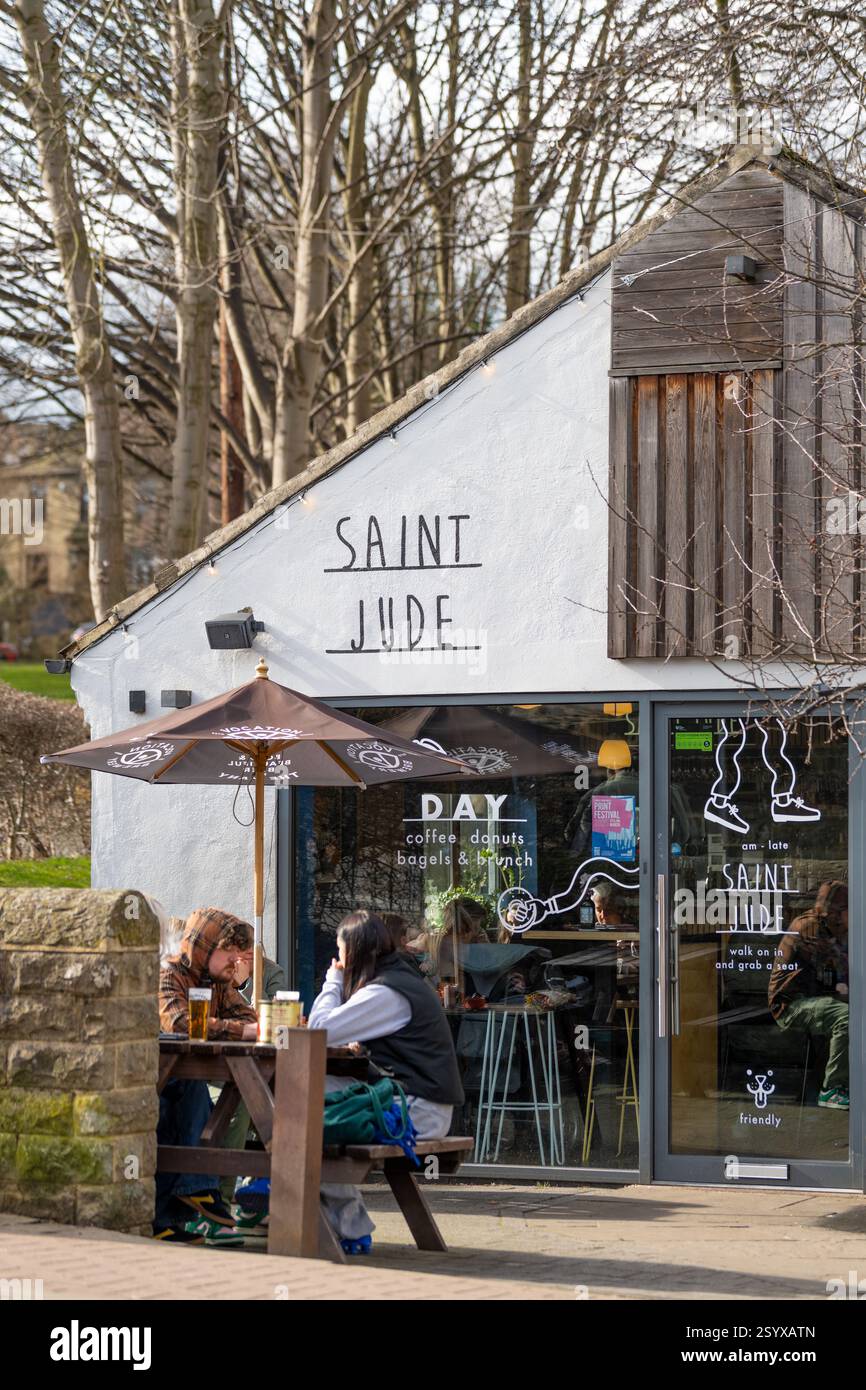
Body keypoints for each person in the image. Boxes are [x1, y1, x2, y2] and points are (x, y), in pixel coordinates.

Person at [308, 909, 464, 1251]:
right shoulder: (398, 981)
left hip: (417, 1112)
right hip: (419, 1104)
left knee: (316, 1121)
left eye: (340, 950)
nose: (338, 959)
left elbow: (317, 1033)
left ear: (354, 951)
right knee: (308, 1098)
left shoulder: (385, 992)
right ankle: (340, 1221)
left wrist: (332, 983)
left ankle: (284, 1188)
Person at [156, 907, 258, 1243]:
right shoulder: (169, 973)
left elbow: (249, 1017)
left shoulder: (216, 982)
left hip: (188, 1076)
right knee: (192, 1088)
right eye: (229, 951)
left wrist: (243, 1028)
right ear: (205, 946)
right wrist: (240, 1032)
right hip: (158, 1078)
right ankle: (198, 1189)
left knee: (244, 1092)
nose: (235, 960)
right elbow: (180, 1024)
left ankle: (196, 1200)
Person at [768, 881, 849, 1109]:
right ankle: (832, 1089)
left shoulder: (829, 927)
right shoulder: (810, 927)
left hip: (816, 998)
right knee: (848, 1017)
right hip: (791, 1005)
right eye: (847, 912)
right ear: (834, 913)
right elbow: (840, 969)